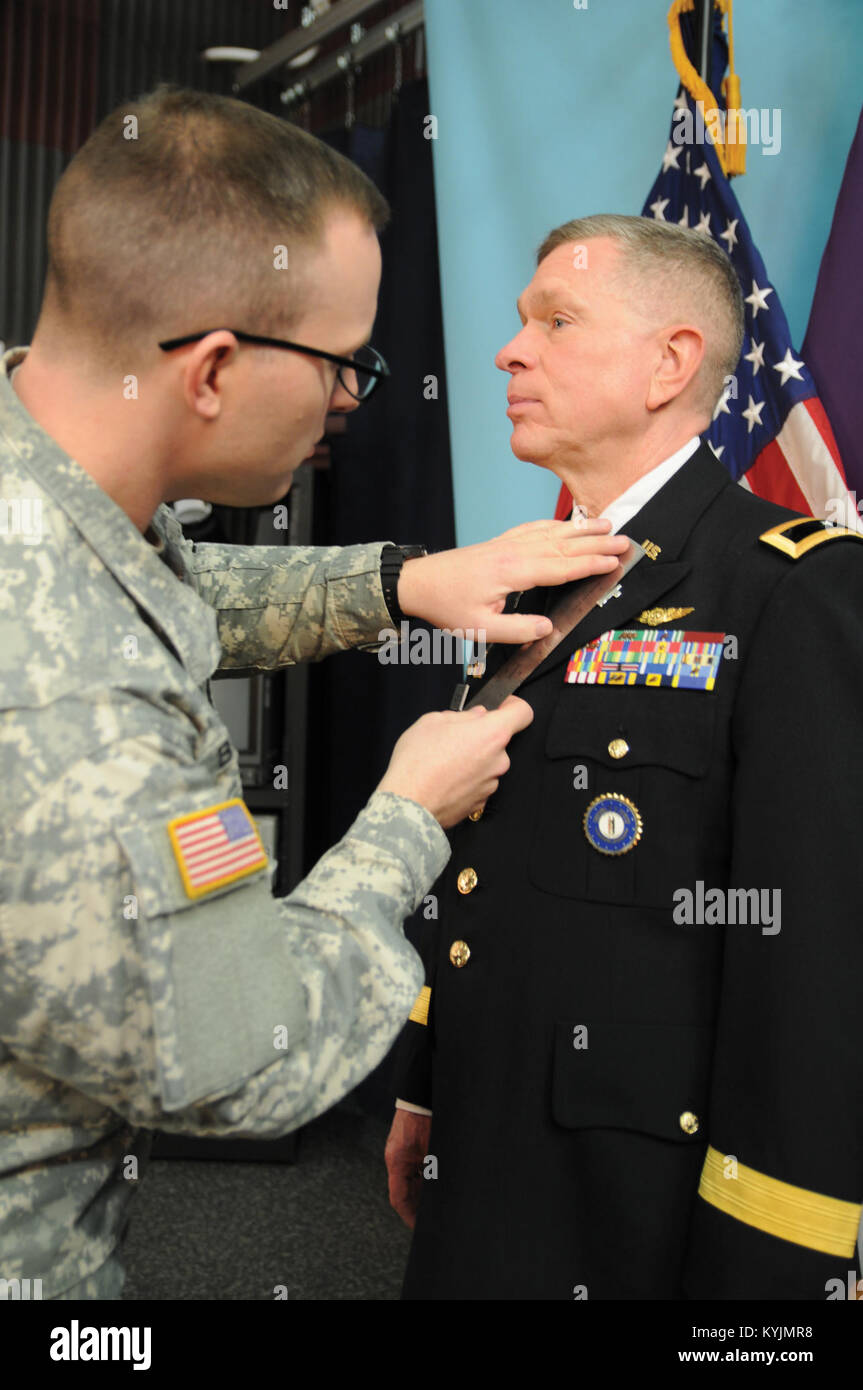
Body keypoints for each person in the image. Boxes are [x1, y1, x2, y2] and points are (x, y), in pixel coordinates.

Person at [0, 89, 629, 1301]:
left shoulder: (47, 485)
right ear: (216, 368)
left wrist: (401, 582)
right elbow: (243, 1064)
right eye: (346, 361)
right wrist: (406, 816)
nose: (355, 395)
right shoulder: (73, 703)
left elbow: (164, 586)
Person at [386, 213, 863, 1300]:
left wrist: (770, 1271)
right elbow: (484, 873)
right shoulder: (536, 579)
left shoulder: (787, 586)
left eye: (555, 320)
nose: (511, 351)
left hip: (639, 1199)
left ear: (670, 362)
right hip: (489, 1141)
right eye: (517, 324)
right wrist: (425, 1087)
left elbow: (812, 954)